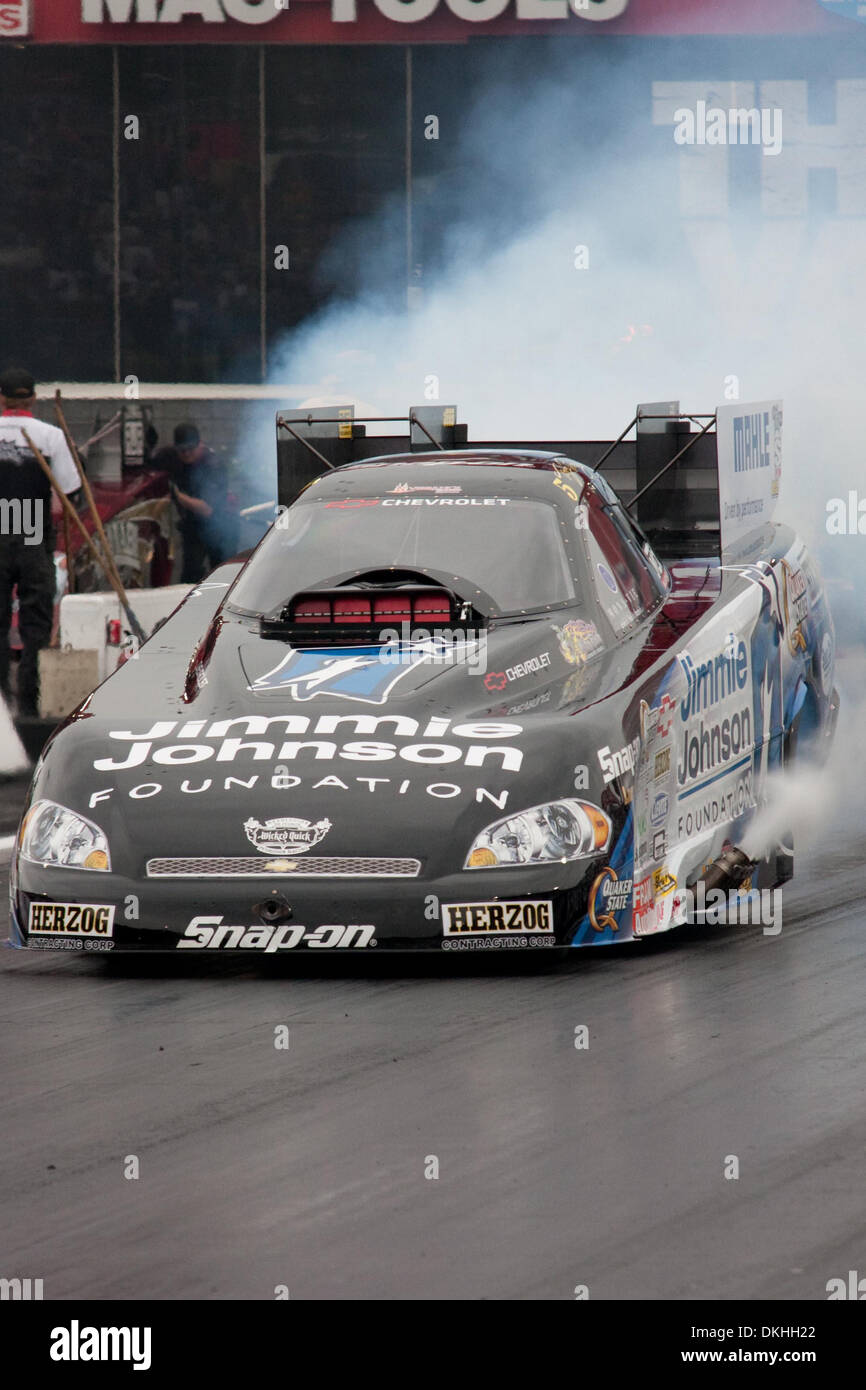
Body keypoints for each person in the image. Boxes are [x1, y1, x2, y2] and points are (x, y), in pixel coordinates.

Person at [0, 367, 80, 718]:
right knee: (36, 624)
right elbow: (72, 493)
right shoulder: (49, 435)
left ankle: (1, 704)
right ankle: (29, 705)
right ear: (32, 398)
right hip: (32, 527)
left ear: (1, 398)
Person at [150, 422, 237, 583]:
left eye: (191, 449)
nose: (187, 453)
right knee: (191, 575)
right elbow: (149, 466)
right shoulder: (170, 456)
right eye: (182, 450)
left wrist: (176, 495)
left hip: (222, 524)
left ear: (200, 445)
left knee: (223, 576)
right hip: (192, 525)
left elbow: (207, 510)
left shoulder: (213, 466)